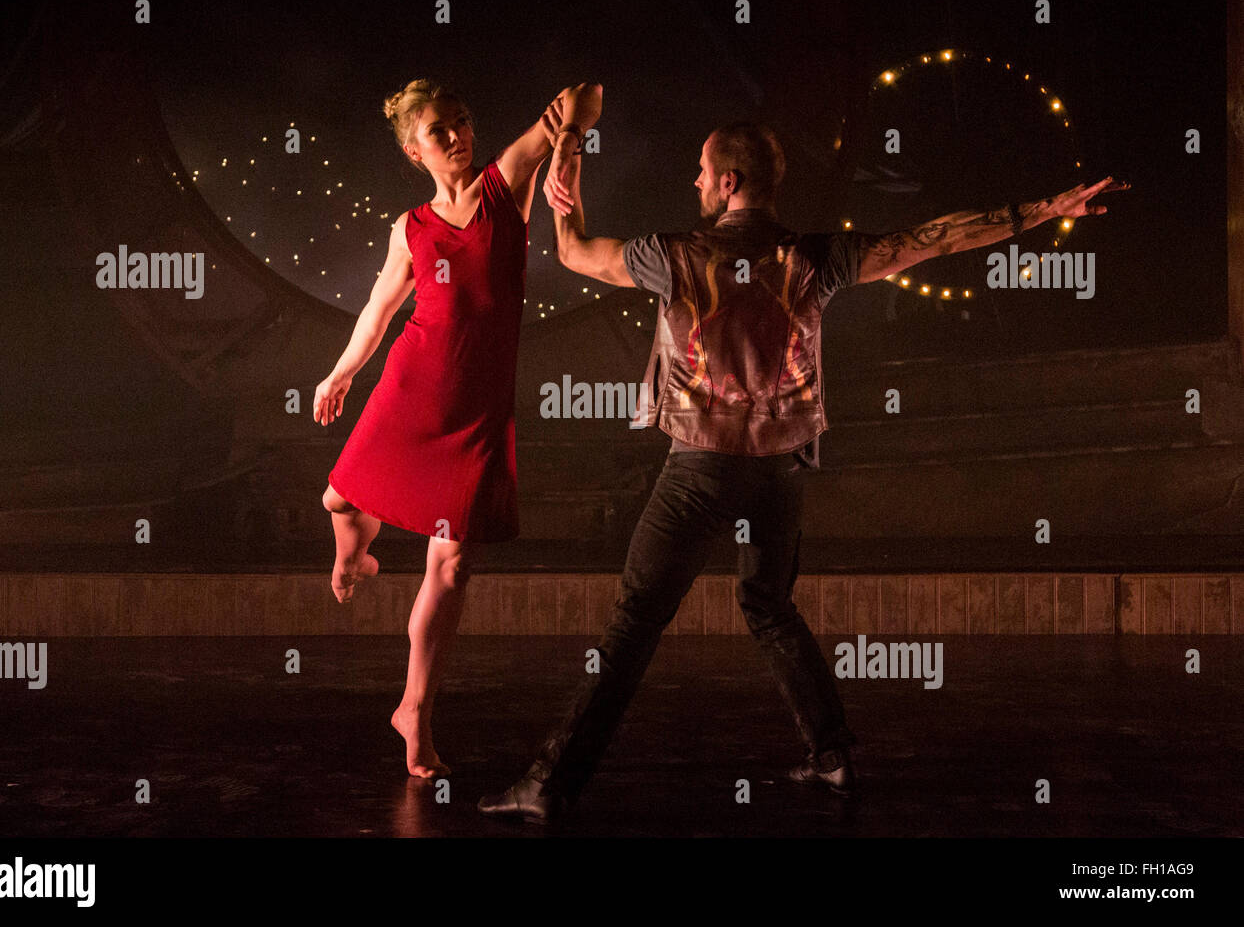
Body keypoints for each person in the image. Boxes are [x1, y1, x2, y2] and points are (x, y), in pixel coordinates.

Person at [478, 115, 1127, 823]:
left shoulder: (675, 254)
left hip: (698, 467)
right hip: (778, 469)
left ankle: (549, 781)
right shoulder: (817, 257)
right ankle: (832, 754)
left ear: (729, 183)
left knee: (635, 622)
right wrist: (1043, 210)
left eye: (702, 170)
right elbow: (933, 238)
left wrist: (566, 160)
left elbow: (571, 251)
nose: (695, 180)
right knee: (769, 607)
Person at [314, 78, 603, 778]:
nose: (456, 135)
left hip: (476, 411)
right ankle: (352, 555)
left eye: (461, 121)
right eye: (439, 131)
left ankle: (414, 709)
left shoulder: (506, 186)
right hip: (412, 387)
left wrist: (566, 146)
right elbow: (379, 311)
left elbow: (584, 96)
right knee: (339, 497)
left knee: (454, 561)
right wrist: (341, 372)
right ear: (415, 151)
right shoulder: (410, 227)